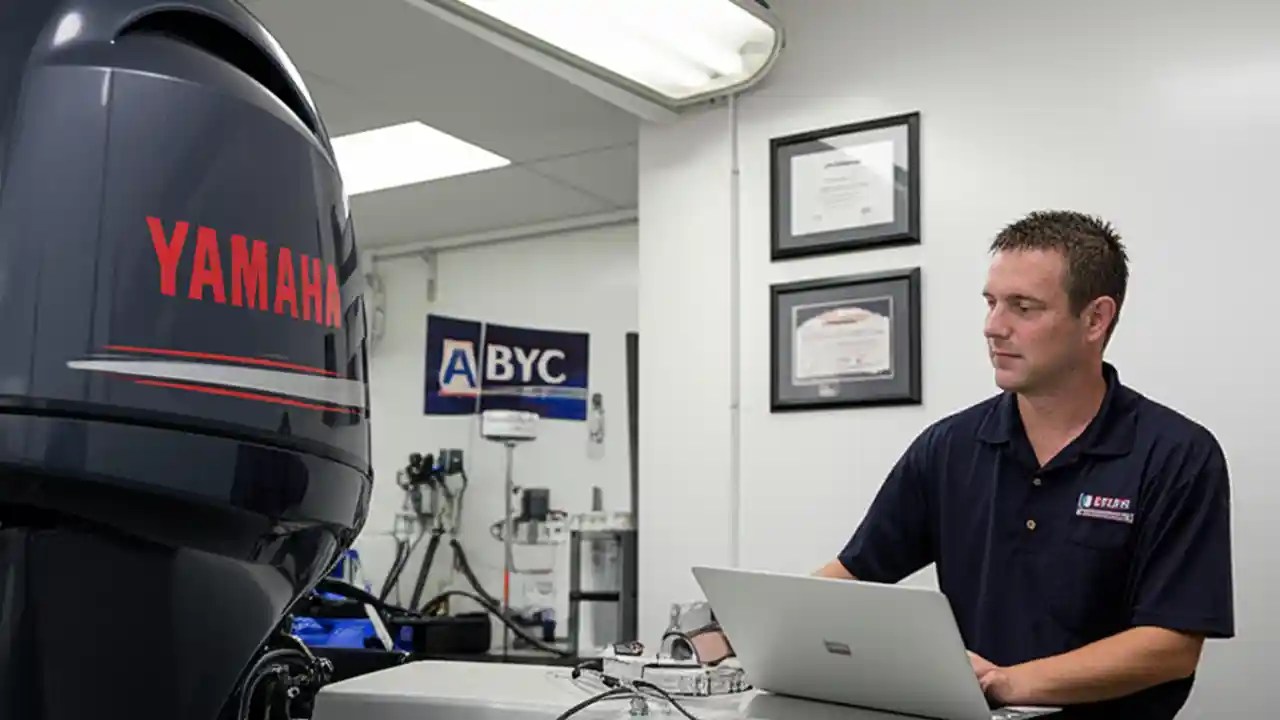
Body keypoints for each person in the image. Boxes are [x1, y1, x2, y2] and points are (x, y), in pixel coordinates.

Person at [815, 210, 1234, 719]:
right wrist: (755, 630)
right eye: (991, 303)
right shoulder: (948, 447)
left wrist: (1006, 683)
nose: (993, 327)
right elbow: (854, 574)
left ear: (1095, 319)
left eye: (1023, 307)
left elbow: (1170, 646)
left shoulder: (1176, 455)